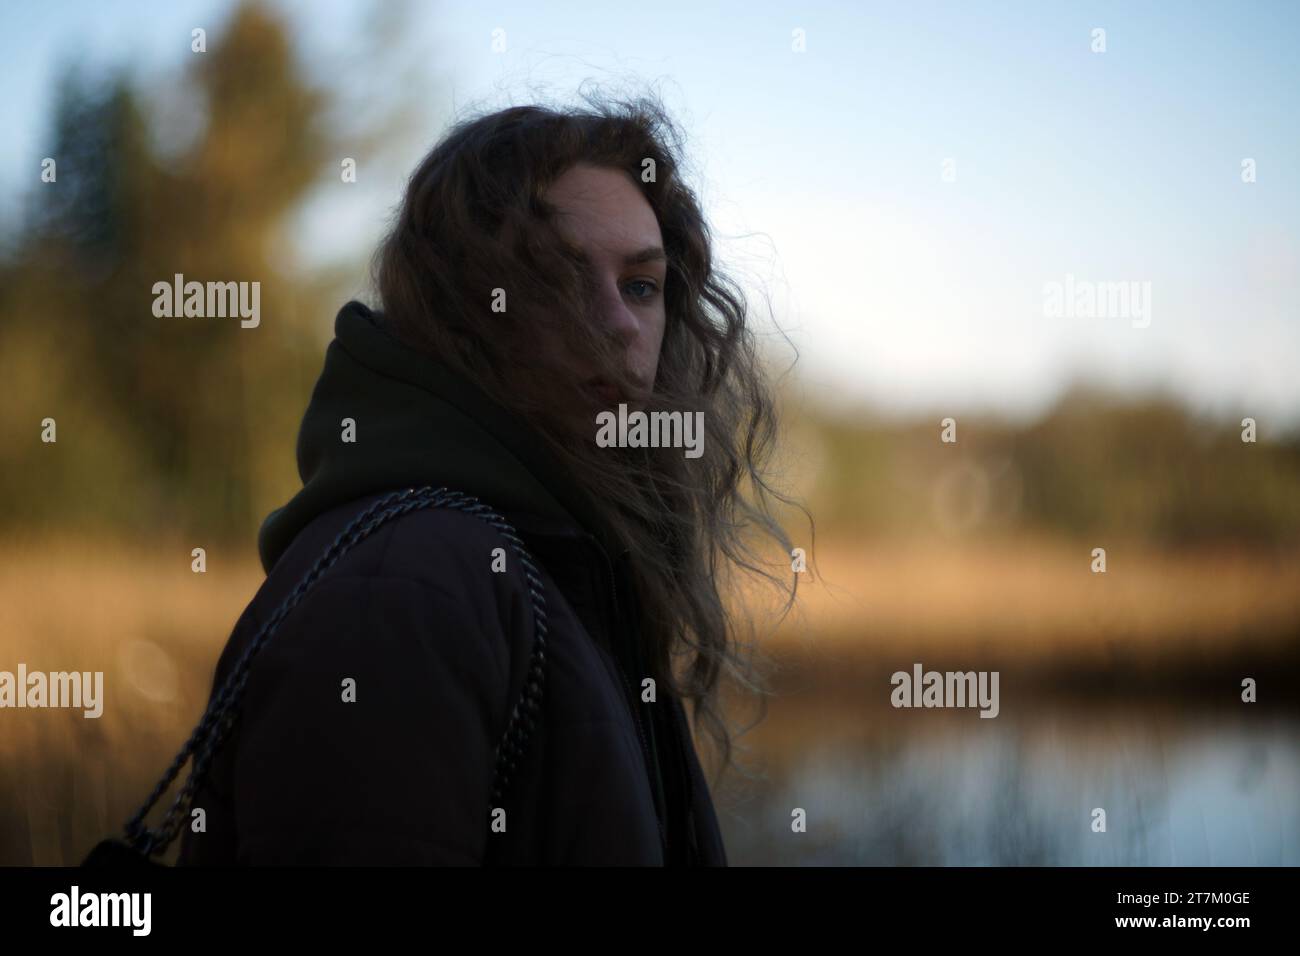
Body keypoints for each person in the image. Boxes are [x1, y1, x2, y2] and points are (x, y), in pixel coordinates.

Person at [176, 98, 802, 866]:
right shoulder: (404, 585)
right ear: (462, 309)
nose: (618, 324)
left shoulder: (557, 558)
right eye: (559, 277)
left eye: (641, 285)